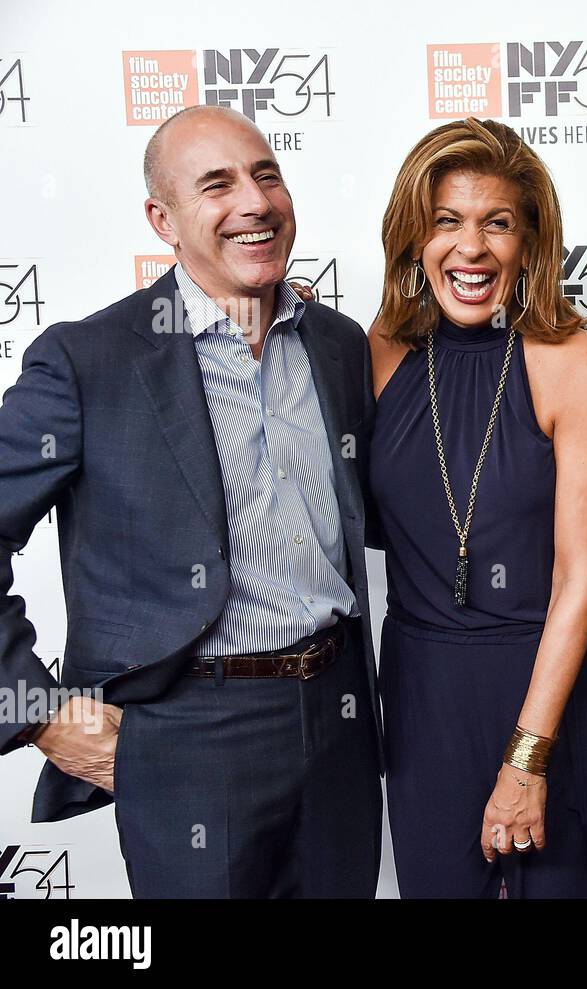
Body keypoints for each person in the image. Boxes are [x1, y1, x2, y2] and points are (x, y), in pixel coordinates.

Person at [0, 105, 383, 897]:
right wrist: (37, 711)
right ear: (162, 220)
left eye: (266, 174)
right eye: (218, 184)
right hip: (186, 734)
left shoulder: (340, 344)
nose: (254, 202)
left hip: (340, 716)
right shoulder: (89, 360)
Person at [366, 118, 587, 897]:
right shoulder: (378, 351)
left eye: (497, 223)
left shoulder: (576, 363)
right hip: (419, 695)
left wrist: (528, 756)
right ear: (415, 238)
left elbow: (582, 575)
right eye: (446, 221)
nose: (470, 248)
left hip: (544, 687)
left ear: (530, 243)